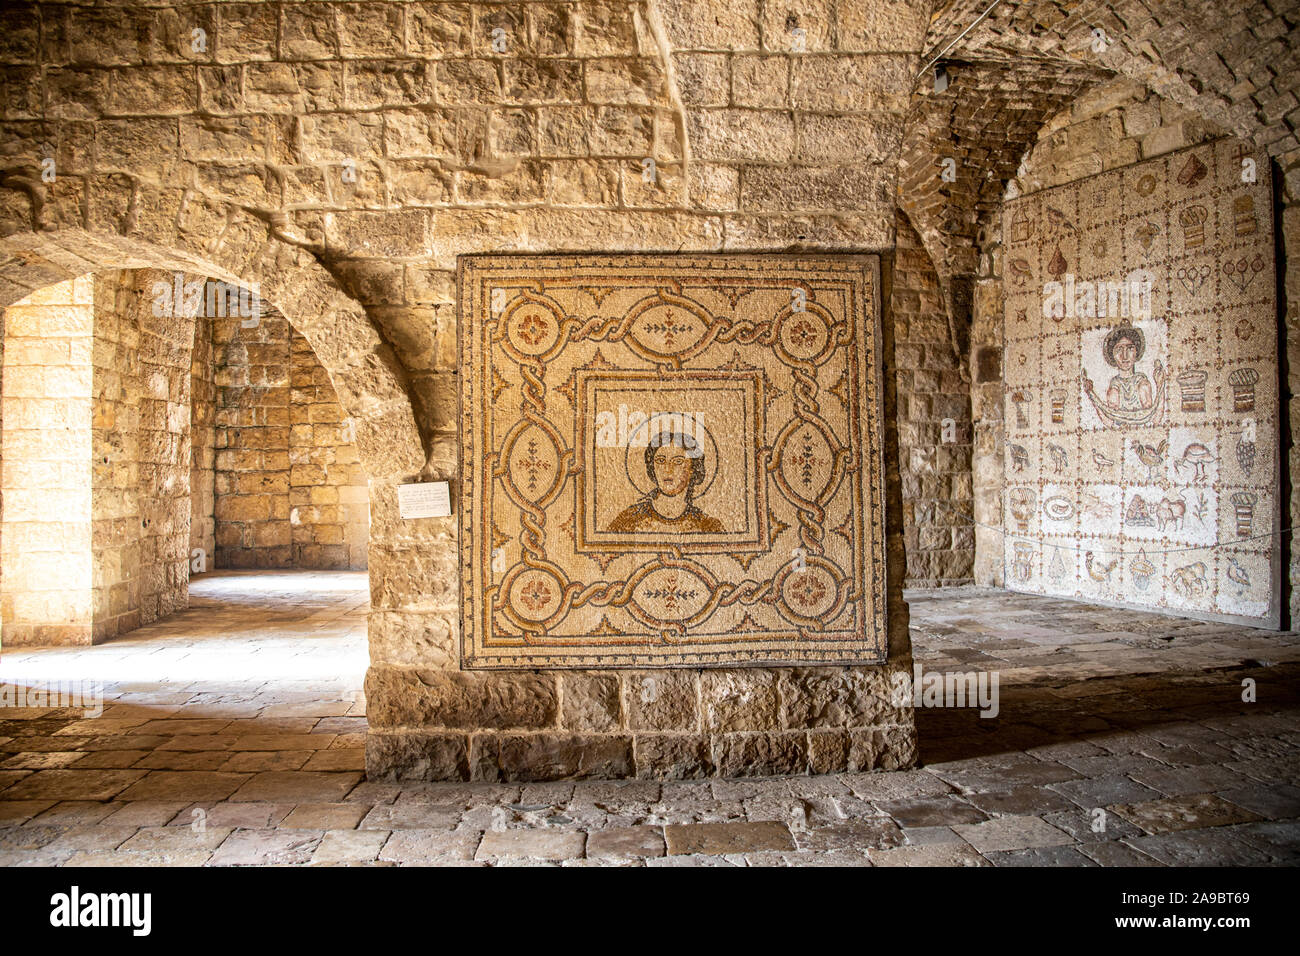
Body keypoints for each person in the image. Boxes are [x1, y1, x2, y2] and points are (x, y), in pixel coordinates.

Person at [606, 430, 724, 533]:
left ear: (693, 468)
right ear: (652, 467)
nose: (668, 470)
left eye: (678, 461)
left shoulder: (708, 526)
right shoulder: (628, 521)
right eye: (661, 461)